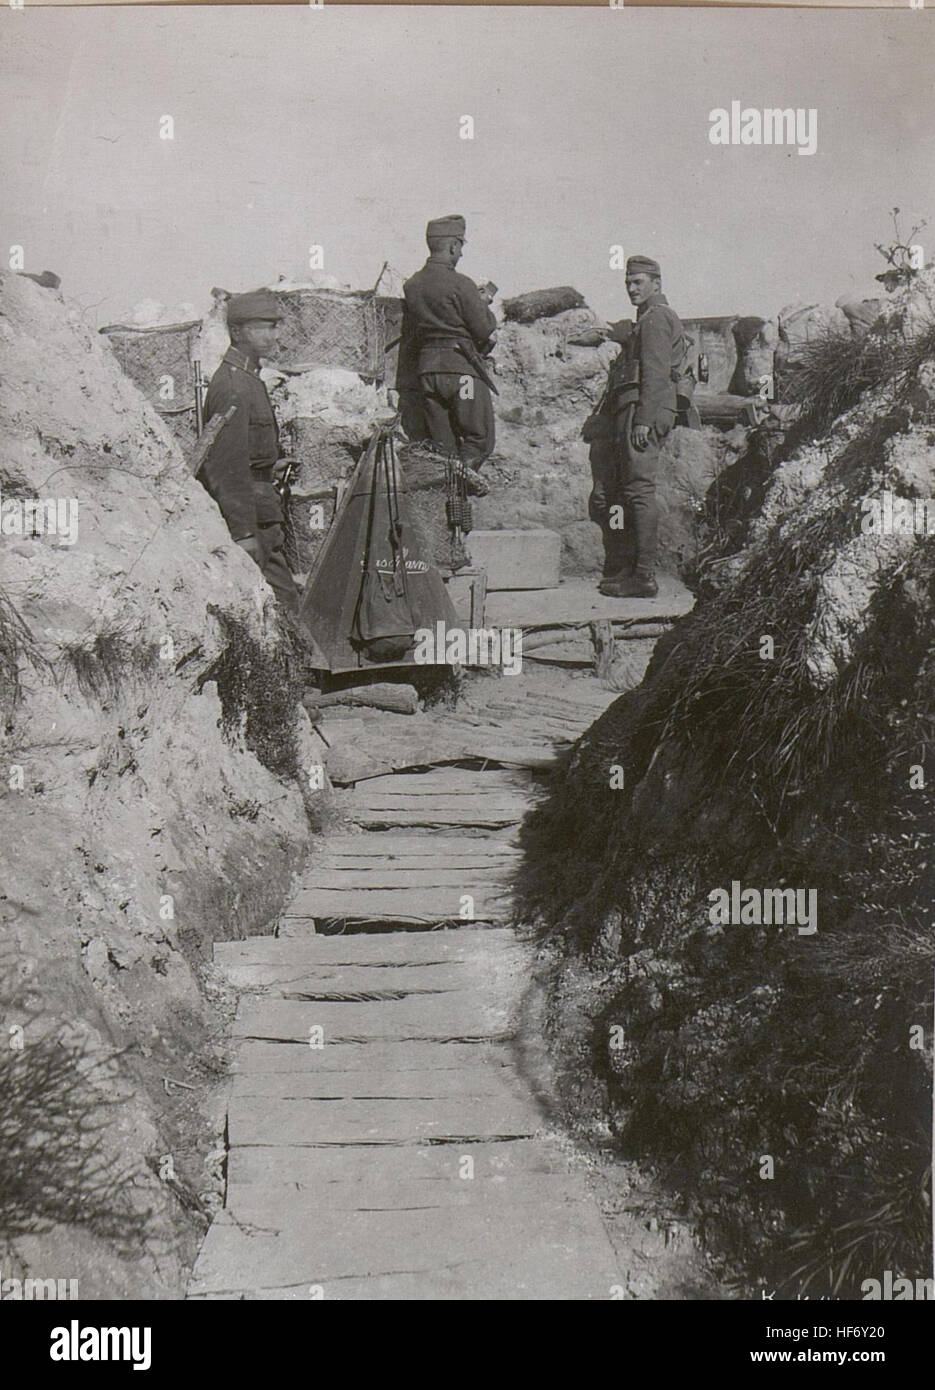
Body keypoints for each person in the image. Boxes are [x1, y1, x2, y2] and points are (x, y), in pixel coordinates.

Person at [198, 290, 301, 620]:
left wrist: (271, 464)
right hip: (250, 521)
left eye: (275, 327)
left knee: (283, 606)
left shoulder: (249, 380)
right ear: (239, 332)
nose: (274, 336)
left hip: (262, 515)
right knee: (279, 608)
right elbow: (226, 469)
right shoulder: (232, 386)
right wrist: (242, 533)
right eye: (265, 327)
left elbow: (246, 450)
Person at [597, 256, 687, 599]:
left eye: (639, 282)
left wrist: (645, 421)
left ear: (657, 284)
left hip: (643, 413)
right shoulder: (646, 320)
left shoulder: (657, 319)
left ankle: (645, 576)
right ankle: (632, 569)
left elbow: (656, 373)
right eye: (628, 283)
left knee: (639, 492)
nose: (632, 289)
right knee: (629, 492)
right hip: (633, 410)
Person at [403, 215, 498, 478]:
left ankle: (445, 505)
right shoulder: (461, 283)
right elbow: (484, 329)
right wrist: (483, 304)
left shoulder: (412, 286)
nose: (461, 253)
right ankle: (461, 490)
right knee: (479, 439)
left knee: (442, 451)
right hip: (461, 373)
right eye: (461, 246)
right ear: (454, 246)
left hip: (428, 374)